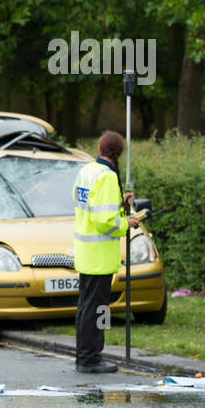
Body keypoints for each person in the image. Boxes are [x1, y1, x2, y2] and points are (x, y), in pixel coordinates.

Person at [72, 130, 139, 373]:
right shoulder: (108, 177)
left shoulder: (86, 171)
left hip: (86, 254)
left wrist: (119, 203)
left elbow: (90, 207)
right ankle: (91, 359)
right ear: (118, 153)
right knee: (97, 309)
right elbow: (104, 220)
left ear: (100, 149)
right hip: (99, 256)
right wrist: (126, 223)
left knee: (85, 307)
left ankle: (84, 356)